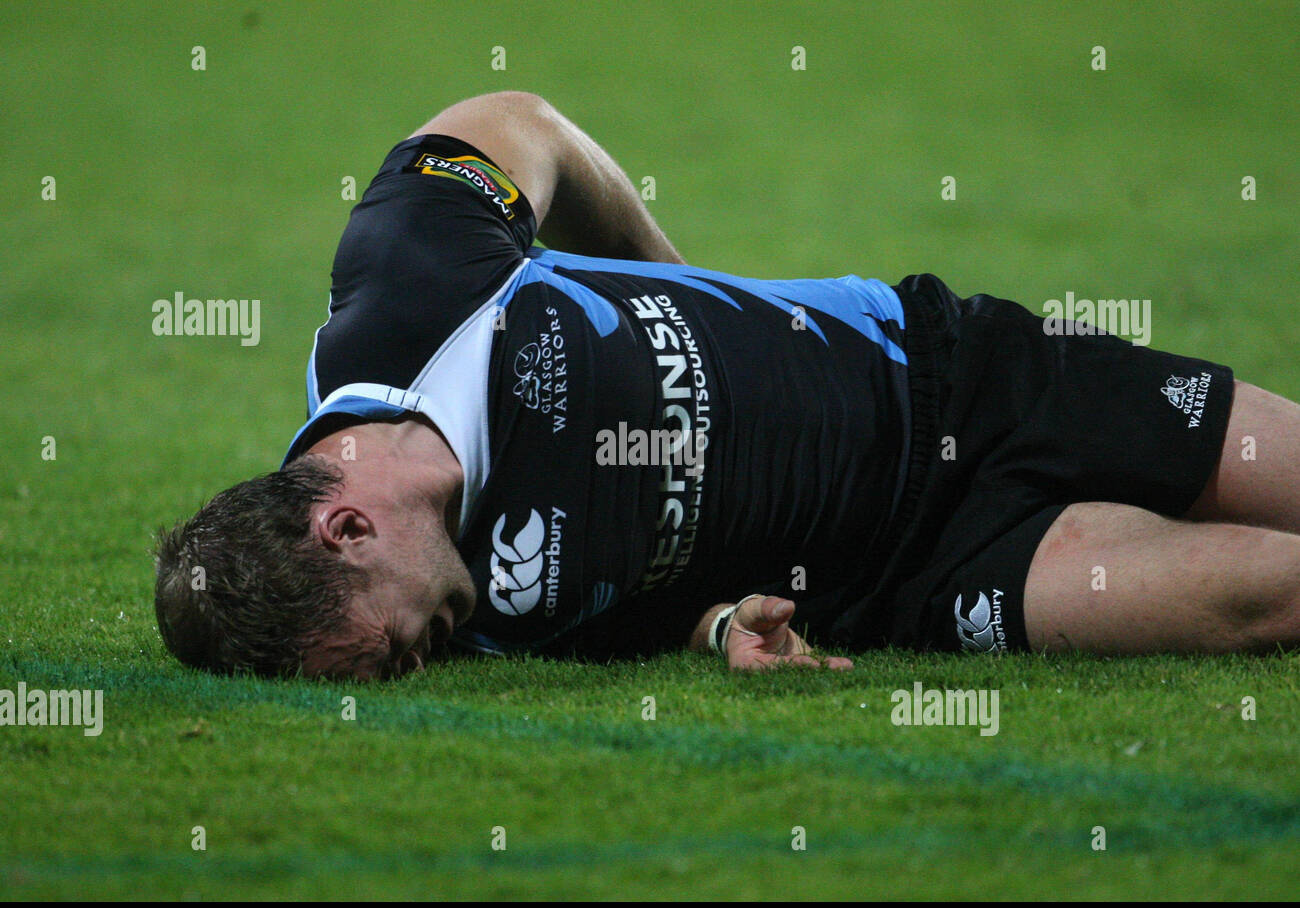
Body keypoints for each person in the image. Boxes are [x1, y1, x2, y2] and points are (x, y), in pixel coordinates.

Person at [154, 91, 1300, 680]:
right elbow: (643, 615)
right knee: (1272, 598)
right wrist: (717, 631)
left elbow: (523, 124)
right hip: (924, 574)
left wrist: (684, 284)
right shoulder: (478, 611)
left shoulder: (407, 290)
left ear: (346, 524)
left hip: (965, 373)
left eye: (388, 651)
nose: (415, 666)